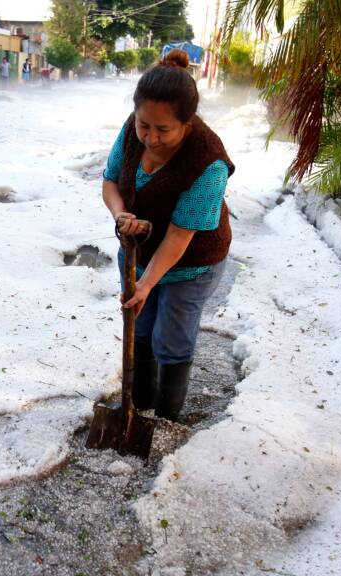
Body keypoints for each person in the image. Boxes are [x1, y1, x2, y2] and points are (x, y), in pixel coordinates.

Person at [101, 49, 234, 422]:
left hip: (192, 262)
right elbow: (110, 183)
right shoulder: (133, 131)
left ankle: (166, 418)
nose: (151, 138)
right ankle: (139, 406)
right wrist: (121, 215)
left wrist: (146, 284)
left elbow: (178, 237)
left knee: (170, 339)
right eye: (144, 125)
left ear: (187, 123)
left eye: (163, 130)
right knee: (140, 327)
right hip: (139, 251)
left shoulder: (208, 163)